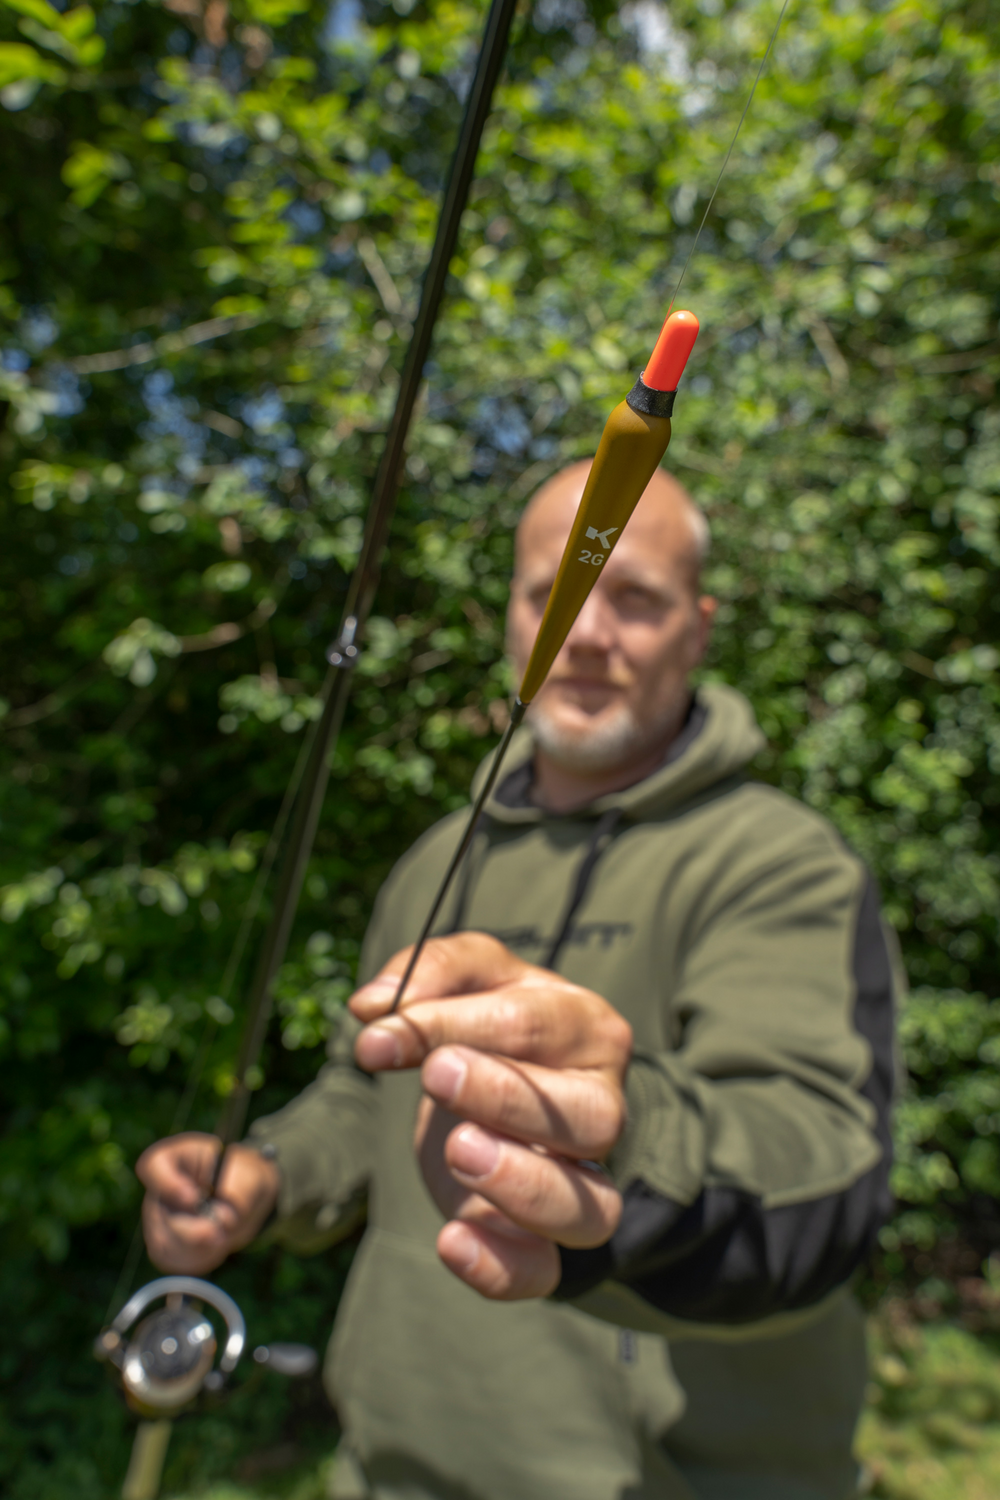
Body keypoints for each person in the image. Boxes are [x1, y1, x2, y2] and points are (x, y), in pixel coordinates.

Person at [138, 460, 898, 1500]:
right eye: (555, 593)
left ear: (699, 626)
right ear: (512, 615)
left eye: (633, 597)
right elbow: (364, 1097)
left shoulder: (776, 860)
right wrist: (265, 1177)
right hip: (390, 1470)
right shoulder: (433, 860)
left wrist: (617, 1140)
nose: (586, 633)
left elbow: (818, 1183)